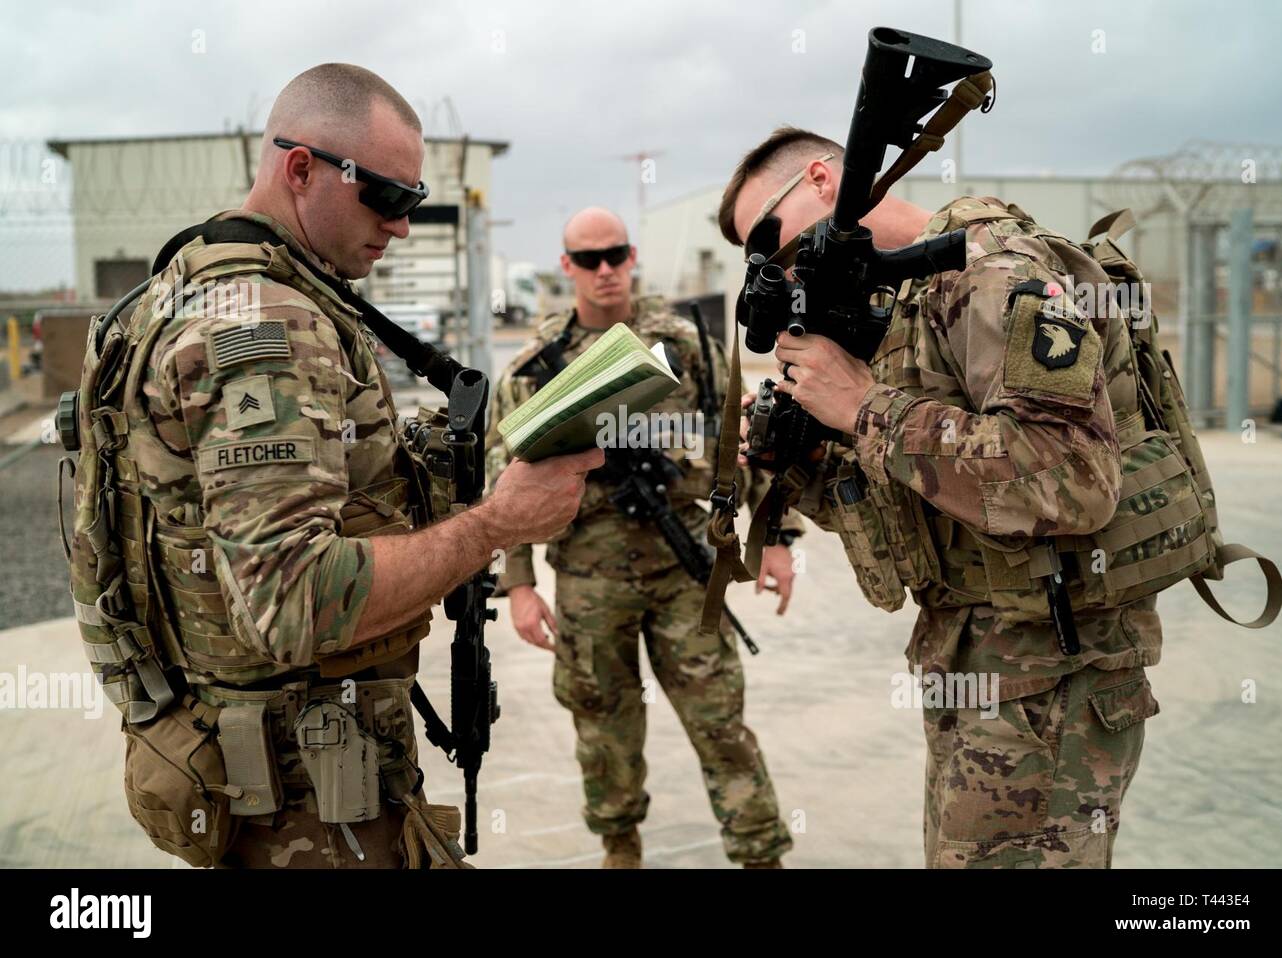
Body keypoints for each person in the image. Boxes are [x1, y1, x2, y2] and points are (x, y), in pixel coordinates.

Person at [69, 63, 600, 869]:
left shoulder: (178, 290)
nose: (401, 225)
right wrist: (498, 524)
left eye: (413, 201)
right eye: (387, 196)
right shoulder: (263, 322)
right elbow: (294, 603)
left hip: (257, 774)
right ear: (300, 167)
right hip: (310, 810)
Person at [718, 127, 1161, 868]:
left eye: (769, 235)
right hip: (986, 674)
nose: (771, 266)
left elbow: (1076, 480)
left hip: (1052, 684)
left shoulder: (991, 271)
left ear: (823, 181)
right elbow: (932, 495)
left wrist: (864, 406)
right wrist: (805, 463)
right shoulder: (905, 304)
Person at [485, 207, 798, 868]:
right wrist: (517, 585)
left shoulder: (683, 344)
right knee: (603, 727)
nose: (605, 270)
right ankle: (619, 847)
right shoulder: (536, 365)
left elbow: (744, 440)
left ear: (631, 258)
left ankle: (760, 853)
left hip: (685, 572)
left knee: (721, 723)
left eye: (616, 254)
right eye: (589, 259)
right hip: (589, 578)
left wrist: (774, 536)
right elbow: (503, 479)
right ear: (566, 266)